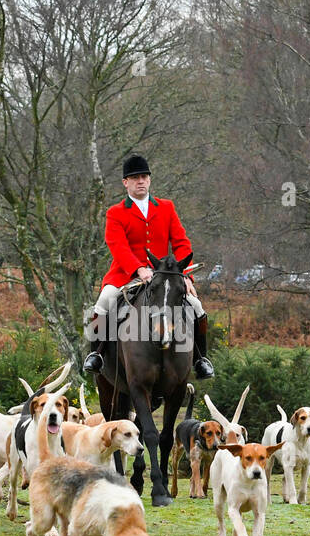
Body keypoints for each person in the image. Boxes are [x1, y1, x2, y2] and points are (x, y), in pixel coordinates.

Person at [81, 154, 214, 378]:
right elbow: (117, 246)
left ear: (150, 180)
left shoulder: (166, 207)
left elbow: (182, 244)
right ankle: (97, 354)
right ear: (126, 183)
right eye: (134, 178)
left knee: (196, 306)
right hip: (125, 276)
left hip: (164, 277)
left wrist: (184, 276)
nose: (140, 181)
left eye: (143, 177)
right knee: (103, 302)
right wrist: (138, 269)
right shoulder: (115, 212)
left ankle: (201, 360)